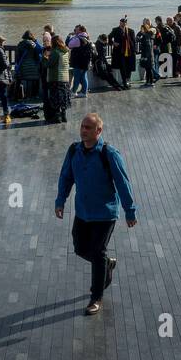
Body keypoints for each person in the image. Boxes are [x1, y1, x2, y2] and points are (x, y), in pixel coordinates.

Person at [54, 113, 138, 316]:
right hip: (82, 211)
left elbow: (123, 183)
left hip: (104, 214)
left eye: (88, 128)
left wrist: (130, 210)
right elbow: (66, 176)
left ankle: (96, 297)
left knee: (98, 250)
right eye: (82, 127)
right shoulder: (74, 150)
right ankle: (106, 265)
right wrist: (60, 200)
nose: (83, 131)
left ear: (99, 131)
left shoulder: (109, 154)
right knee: (80, 248)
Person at [43, 34, 71, 124]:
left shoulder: (55, 52)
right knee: (63, 99)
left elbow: (48, 65)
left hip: (56, 78)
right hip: (65, 78)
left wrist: (45, 57)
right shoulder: (66, 51)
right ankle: (64, 116)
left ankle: (57, 118)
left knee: (56, 99)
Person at [109, 17, 136, 89]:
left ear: (126, 23)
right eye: (122, 22)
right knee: (122, 68)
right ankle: (124, 82)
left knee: (129, 67)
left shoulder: (130, 31)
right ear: (120, 23)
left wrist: (134, 51)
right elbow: (109, 37)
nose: (123, 24)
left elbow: (134, 42)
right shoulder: (115, 30)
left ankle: (128, 81)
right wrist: (113, 43)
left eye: (124, 23)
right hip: (120, 53)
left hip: (129, 53)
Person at [15, 31, 41, 101]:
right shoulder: (34, 44)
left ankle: (16, 96)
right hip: (32, 66)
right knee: (33, 79)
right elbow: (39, 51)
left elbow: (17, 56)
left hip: (22, 66)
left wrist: (17, 64)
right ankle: (32, 96)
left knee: (19, 79)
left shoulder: (20, 44)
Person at [66, 27, 91, 99]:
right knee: (84, 77)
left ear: (80, 30)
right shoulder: (86, 38)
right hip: (85, 62)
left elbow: (69, 44)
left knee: (77, 78)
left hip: (79, 63)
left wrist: (71, 36)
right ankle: (84, 92)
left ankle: (74, 92)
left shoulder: (78, 39)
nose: (74, 30)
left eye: (76, 29)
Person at [137, 19, 157, 87]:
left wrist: (145, 56)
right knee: (148, 69)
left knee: (149, 69)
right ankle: (148, 81)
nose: (141, 30)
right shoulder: (149, 35)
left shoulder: (146, 36)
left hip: (147, 55)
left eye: (142, 29)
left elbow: (148, 46)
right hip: (149, 55)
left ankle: (150, 82)